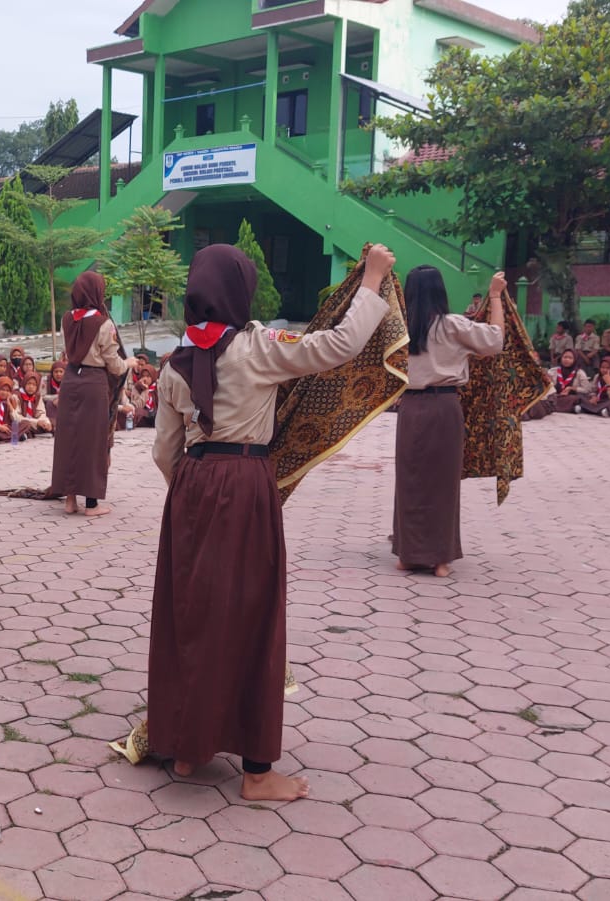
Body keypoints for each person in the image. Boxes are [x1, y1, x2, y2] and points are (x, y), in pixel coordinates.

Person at [148, 243, 395, 802]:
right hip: (243, 483)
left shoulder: (174, 362)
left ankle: (187, 748)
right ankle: (257, 774)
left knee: (192, 615)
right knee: (252, 616)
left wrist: (191, 492)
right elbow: (337, 346)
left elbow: (164, 451)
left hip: (190, 485)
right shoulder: (257, 347)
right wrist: (372, 280)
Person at [392, 266, 506, 579]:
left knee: (410, 481)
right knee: (442, 483)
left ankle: (408, 555)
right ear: (440, 291)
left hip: (410, 409)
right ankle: (440, 559)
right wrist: (495, 296)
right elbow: (495, 341)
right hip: (444, 407)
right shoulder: (453, 325)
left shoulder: (401, 329)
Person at [46, 272, 131, 515]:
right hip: (94, 383)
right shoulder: (104, 324)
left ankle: (70, 500)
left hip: (70, 380)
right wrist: (129, 363)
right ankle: (91, 504)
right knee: (94, 441)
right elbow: (114, 364)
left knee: (68, 439)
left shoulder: (67, 319)